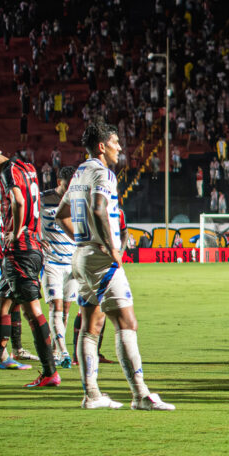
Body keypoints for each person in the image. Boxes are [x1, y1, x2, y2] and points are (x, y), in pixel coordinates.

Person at [58, 121, 174, 410]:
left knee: (90, 326)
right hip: (101, 259)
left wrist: (83, 240)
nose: (120, 147)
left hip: (81, 257)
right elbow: (98, 208)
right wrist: (112, 249)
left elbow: (61, 214)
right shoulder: (102, 173)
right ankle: (140, 395)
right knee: (127, 323)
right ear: (101, 146)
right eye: (115, 142)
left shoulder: (79, 173)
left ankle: (92, 395)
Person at [0, 139, 59, 388]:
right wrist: (36, 234)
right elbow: (34, 203)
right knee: (0, 308)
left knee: (32, 312)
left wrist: (16, 233)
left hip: (20, 251)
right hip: (28, 248)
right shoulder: (27, 167)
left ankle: (50, 372)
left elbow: (18, 201)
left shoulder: (7, 172)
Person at [40, 184, 78, 369]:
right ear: (59, 182)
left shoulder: (76, 201)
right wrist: (36, 236)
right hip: (51, 263)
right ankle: (63, 351)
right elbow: (28, 218)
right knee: (56, 306)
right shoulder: (43, 199)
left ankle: (57, 349)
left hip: (71, 264)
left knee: (66, 309)